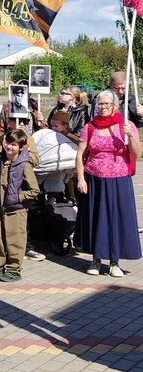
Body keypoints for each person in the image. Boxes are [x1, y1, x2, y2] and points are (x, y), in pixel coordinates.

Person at [75, 90, 142, 276]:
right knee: (95, 218)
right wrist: (81, 178)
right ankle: (95, 260)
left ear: (115, 106)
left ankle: (114, 262)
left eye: (107, 104)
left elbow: (138, 153)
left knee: (115, 219)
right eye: (100, 104)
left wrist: (131, 137)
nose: (103, 107)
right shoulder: (90, 126)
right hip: (94, 178)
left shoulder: (126, 125)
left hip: (119, 179)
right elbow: (80, 154)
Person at [0, 128, 40, 281]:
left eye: (14, 144)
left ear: (21, 147)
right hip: (0, 207)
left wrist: (19, 196)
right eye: (7, 143)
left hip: (16, 209)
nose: (9, 147)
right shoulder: (0, 160)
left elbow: (34, 190)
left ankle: (14, 269)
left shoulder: (24, 164)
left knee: (15, 240)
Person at [33, 111, 78, 195]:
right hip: (50, 165)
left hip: (66, 167)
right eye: (51, 125)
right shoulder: (50, 135)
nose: (53, 128)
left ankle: (70, 195)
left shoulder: (71, 139)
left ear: (65, 126)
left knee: (68, 178)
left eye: (56, 126)